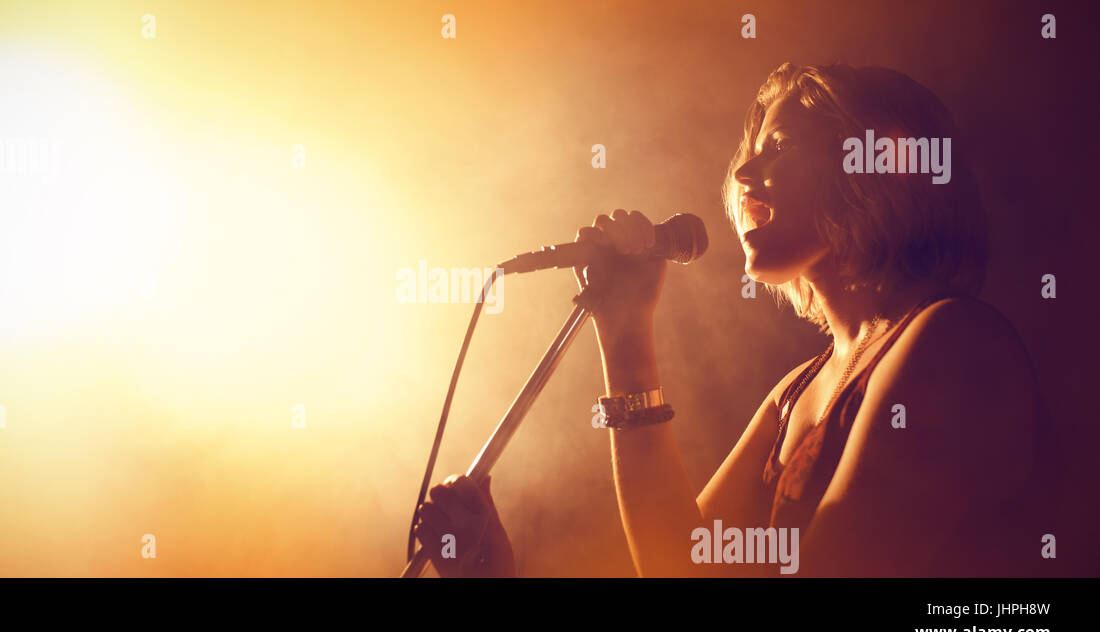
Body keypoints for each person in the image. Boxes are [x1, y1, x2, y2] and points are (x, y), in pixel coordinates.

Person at [412, 63, 1050, 577]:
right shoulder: (797, 391)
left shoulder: (950, 344)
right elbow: (679, 566)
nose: (744, 173)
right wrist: (627, 333)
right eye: (750, 151)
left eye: (780, 147)